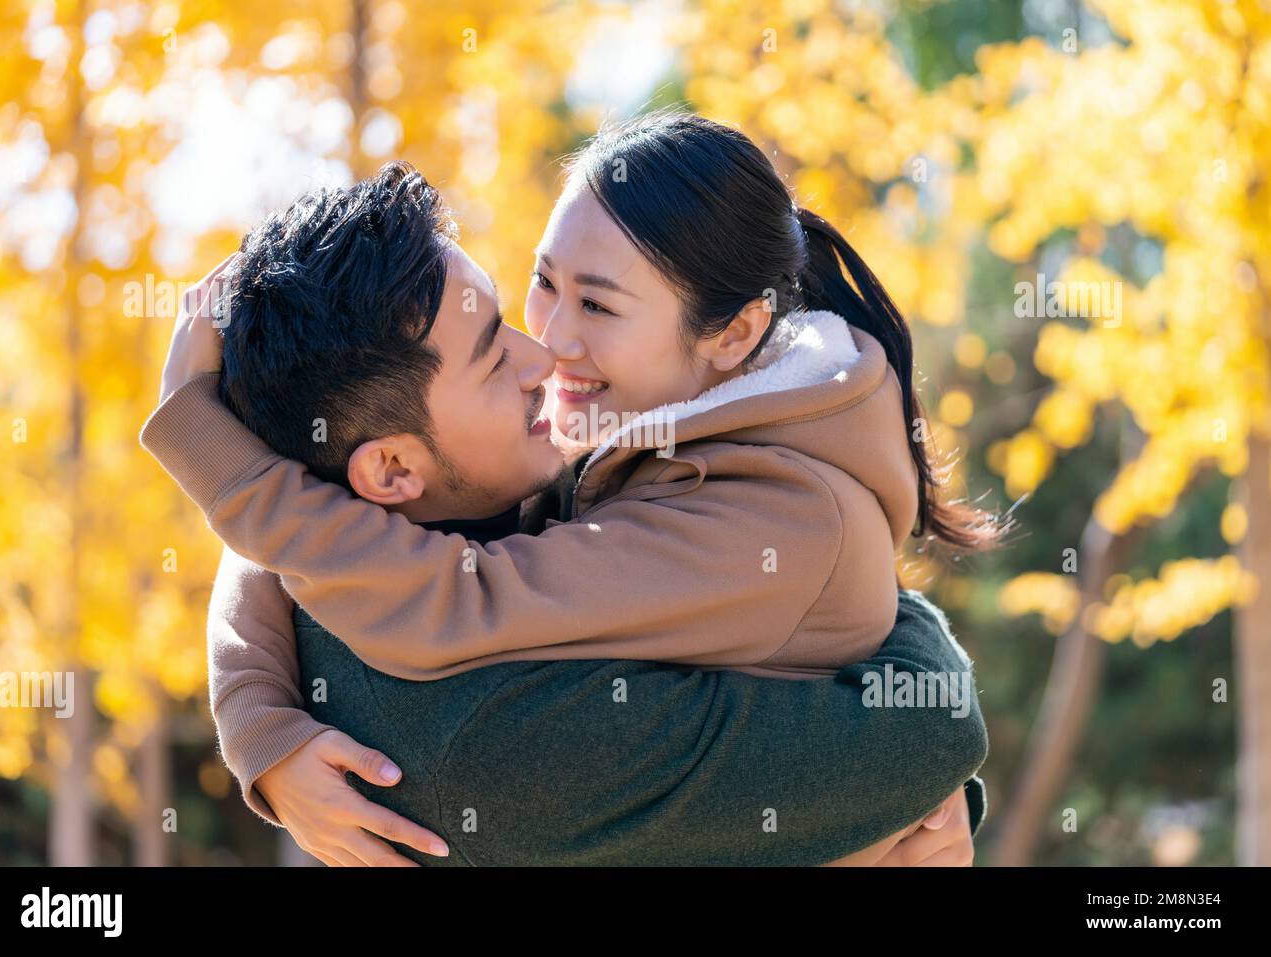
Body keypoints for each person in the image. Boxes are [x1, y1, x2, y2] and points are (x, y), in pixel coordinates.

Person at [145, 133, 990, 864]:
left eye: (597, 303)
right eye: (545, 284)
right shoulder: (659, 423)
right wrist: (260, 723)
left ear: (735, 333)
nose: (544, 346)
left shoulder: (752, 504)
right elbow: (291, 542)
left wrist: (226, 466)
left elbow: (439, 587)